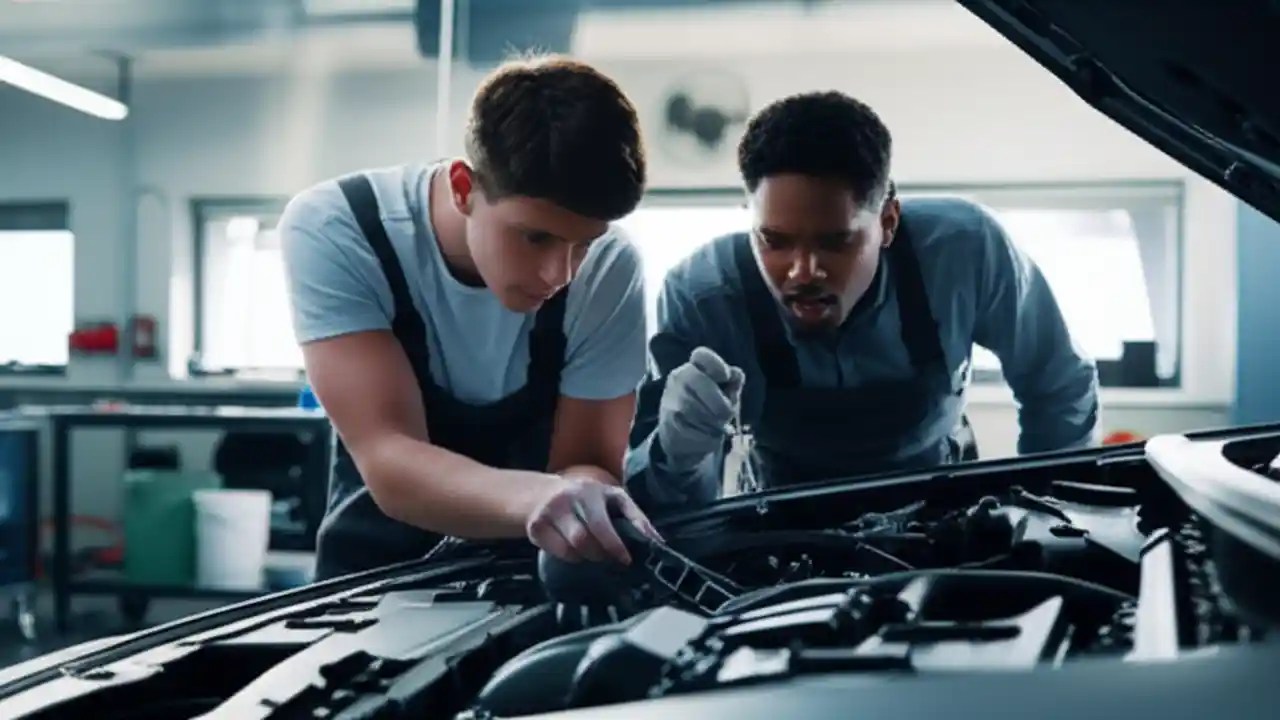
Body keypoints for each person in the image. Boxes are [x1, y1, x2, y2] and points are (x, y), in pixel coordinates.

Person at [624, 90, 1100, 511]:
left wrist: (1047, 507)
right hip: (780, 525)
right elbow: (664, 513)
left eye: (835, 242)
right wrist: (677, 452)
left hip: (941, 512)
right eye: (774, 240)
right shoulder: (702, 295)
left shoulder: (966, 250)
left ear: (888, 221)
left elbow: (1057, 383)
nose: (802, 272)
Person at [281, 55, 660, 581]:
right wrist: (542, 497)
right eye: (536, 236)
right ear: (463, 187)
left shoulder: (612, 267)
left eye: (584, 244)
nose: (561, 274)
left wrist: (585, 496)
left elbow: (590, 463)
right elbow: (390, 457)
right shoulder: (338, 227)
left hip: (533, 579)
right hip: (371, 581)